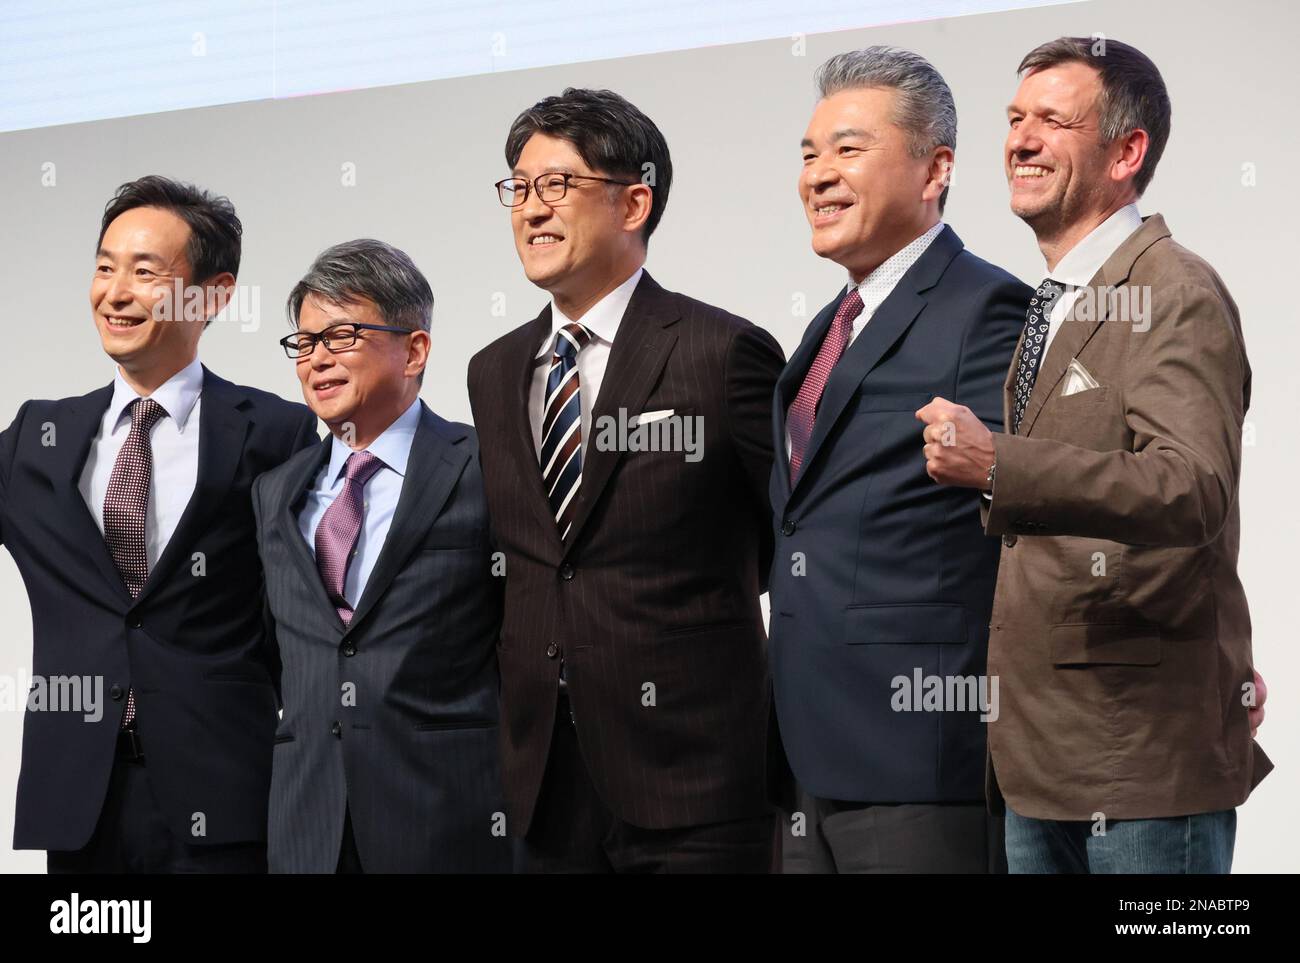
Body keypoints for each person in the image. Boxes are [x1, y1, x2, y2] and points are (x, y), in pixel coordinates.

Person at [920, 37, 1271, 873]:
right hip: (1044, 761)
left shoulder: (1175, 289)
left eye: (1052, 119)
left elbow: (1191, 486)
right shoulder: (1058, 299)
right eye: (1014, 119)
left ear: (1127, 151)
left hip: (1140, 761)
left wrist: (1000, 464)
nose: (1020, 139)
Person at [467, 87, 786, 872]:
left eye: (557, 185)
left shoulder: (722, 351)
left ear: (634, 201)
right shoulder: (494, 368)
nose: (531, 209)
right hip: (542, 777)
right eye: (519, 186)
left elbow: (786, 537)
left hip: (694, 775)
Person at [0, 175, 318, 872]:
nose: (114, 292)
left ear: (214, 293)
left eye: (144, 272)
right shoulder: (36, 437)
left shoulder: (276, 433)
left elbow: (310, 617)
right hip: (79, 805)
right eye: (104, 266)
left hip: (226, 798)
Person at [768, 46, 1028, 873]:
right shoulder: (824, 332)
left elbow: (1030, 505)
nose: (818, 176)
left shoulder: (987, 308)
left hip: (921, 760)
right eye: (809, 155)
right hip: (803, 764)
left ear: (934, 169)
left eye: (848, 149)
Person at [252, 239, 511, 873]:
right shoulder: (274, 492)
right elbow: (272, 650)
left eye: (341, 336)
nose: (317, 360)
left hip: (447, 814)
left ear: (415, 350)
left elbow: (523, 632)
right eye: (304, 343)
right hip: (307, 822)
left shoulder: (487, 467)